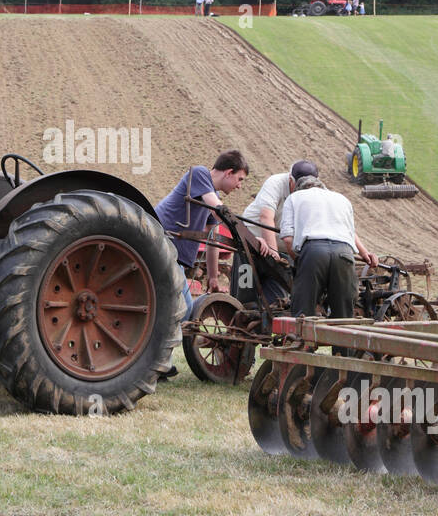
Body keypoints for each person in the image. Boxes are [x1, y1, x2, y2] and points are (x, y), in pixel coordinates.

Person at [155, 150, 251, 375]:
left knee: (182, 311)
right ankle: (157, 364)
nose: (239, 186)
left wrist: (214, 277)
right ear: (228, 172)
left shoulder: (208, 193)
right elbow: (219, 211)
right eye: (240, 179)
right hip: (162, 246)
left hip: (172, 255)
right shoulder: (199, 174)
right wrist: (246, 235)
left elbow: (212, 236)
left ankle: (159, 364)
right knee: (183, 309)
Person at [280, 169, 377, 320]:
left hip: (313, 251)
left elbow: (287, 238)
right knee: (344, 315)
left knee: (303, 311)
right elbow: (350, 233)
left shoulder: (294, 198)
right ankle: (343, 342)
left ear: (299, 188)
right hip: (344, 252)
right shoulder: (342, 199)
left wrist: (300, 262)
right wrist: (365, 253)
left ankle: (303, 342)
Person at [233, 160, 319, 304]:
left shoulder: (318, 191)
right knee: (245, 294)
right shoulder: (275, 183)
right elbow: (266, 216)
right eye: (300, 187)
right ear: (291, 180)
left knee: (278, 301)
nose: (303, 192)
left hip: (283, 253)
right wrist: (274, 254)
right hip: (251, 248)